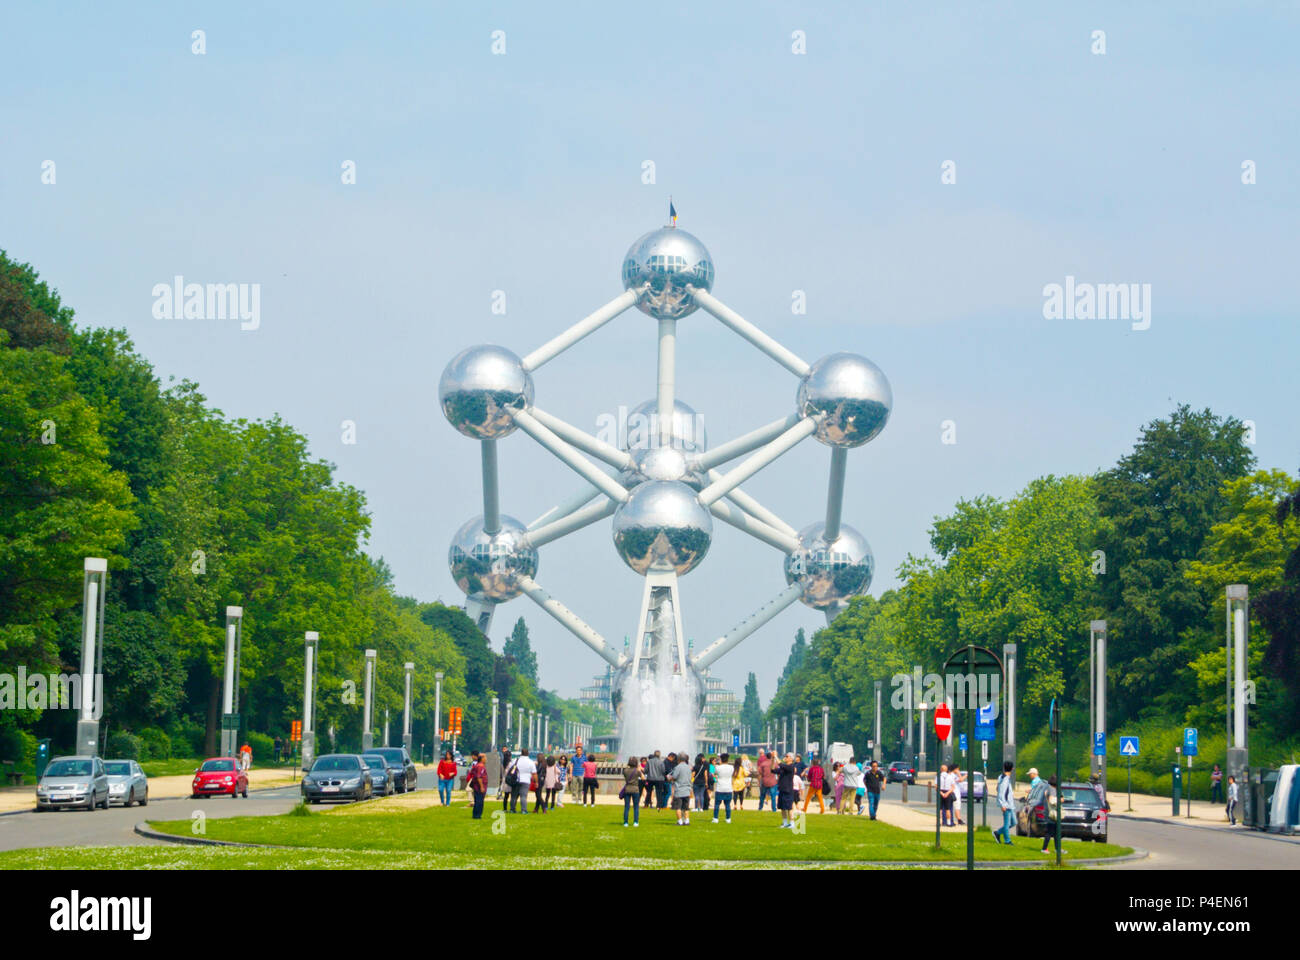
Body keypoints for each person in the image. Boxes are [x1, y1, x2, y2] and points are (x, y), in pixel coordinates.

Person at [993, 761, 1015, 844]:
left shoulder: (1002, 777)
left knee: (1014, 822)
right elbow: (1001, 792)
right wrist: (1003, 804)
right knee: (1007, 823)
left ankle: (997, 833)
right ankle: (1007, 840)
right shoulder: (1005, 779)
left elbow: (997, 788)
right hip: (1006, 804)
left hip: (1010, 804)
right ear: (1012, 768)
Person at [669, 751, 694, 825]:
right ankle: (687, 820)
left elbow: (674, 777)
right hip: (687, 789)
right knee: (686, 807)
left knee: (678, 807)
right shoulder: (688, 767)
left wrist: (669, 778)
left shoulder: (678, 767)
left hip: (679, 789)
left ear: (678, 759)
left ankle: (680, 821)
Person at [1040, 775, 1061, 855]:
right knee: (1050, 832)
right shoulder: (1051, 789)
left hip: (1050, 813)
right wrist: (1059, 800)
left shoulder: (1049, 788)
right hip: (1051, 814)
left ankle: (1057, 848)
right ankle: (1044, 848)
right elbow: (1052, 801)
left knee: (1056, 832)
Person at [713, 753, 735, 823]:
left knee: (717, 804)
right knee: (727, 804)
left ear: (721, 759)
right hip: (728, 788)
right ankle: (728, 818)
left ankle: (715, 818)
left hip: (720, 787)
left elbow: (715, 773)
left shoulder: (718, 767)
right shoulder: (731, 767)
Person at [776, 753, 797, 829]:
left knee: (789, 807)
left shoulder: (791, 767)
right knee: (782, 807)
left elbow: (781, 764)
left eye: (787, 756)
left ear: (791, 758)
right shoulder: (783, 768)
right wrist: (772, 760)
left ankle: (792, 823)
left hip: (788, 790)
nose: (786, 757)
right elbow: (773, 770)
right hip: (782, 789)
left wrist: (775, 756)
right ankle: (785, 823)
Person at [622, 756, 642, 826]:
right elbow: (643, 778)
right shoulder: (637, 771)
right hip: (635, 789)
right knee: (636, 807)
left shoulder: (625, 770)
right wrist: (639, 769)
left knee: (627, 807)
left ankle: (625, 822)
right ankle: (635, 822)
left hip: (627, 789)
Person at [468, 752, 488, 819]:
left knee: (477, 800)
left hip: (476, 786)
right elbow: (479, 777)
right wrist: (482, 786)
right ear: (481, 758)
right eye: (485, 757)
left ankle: (475, 814)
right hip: (479, 787)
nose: (486, 759)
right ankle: (477, 815)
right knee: (479, 801)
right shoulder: (481, 766)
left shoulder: (476, 765)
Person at [938, 763, 954, 827]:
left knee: (940, 809)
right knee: (948, 809)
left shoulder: (938, 776)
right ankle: (948, 822)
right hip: (948, 792)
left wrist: (942, 793)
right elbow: (953, 787)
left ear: (941, 770)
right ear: (946, 769)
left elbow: (936, 787)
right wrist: (947, 793)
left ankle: (939, 822)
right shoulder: (950, 777)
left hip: (941, 792)